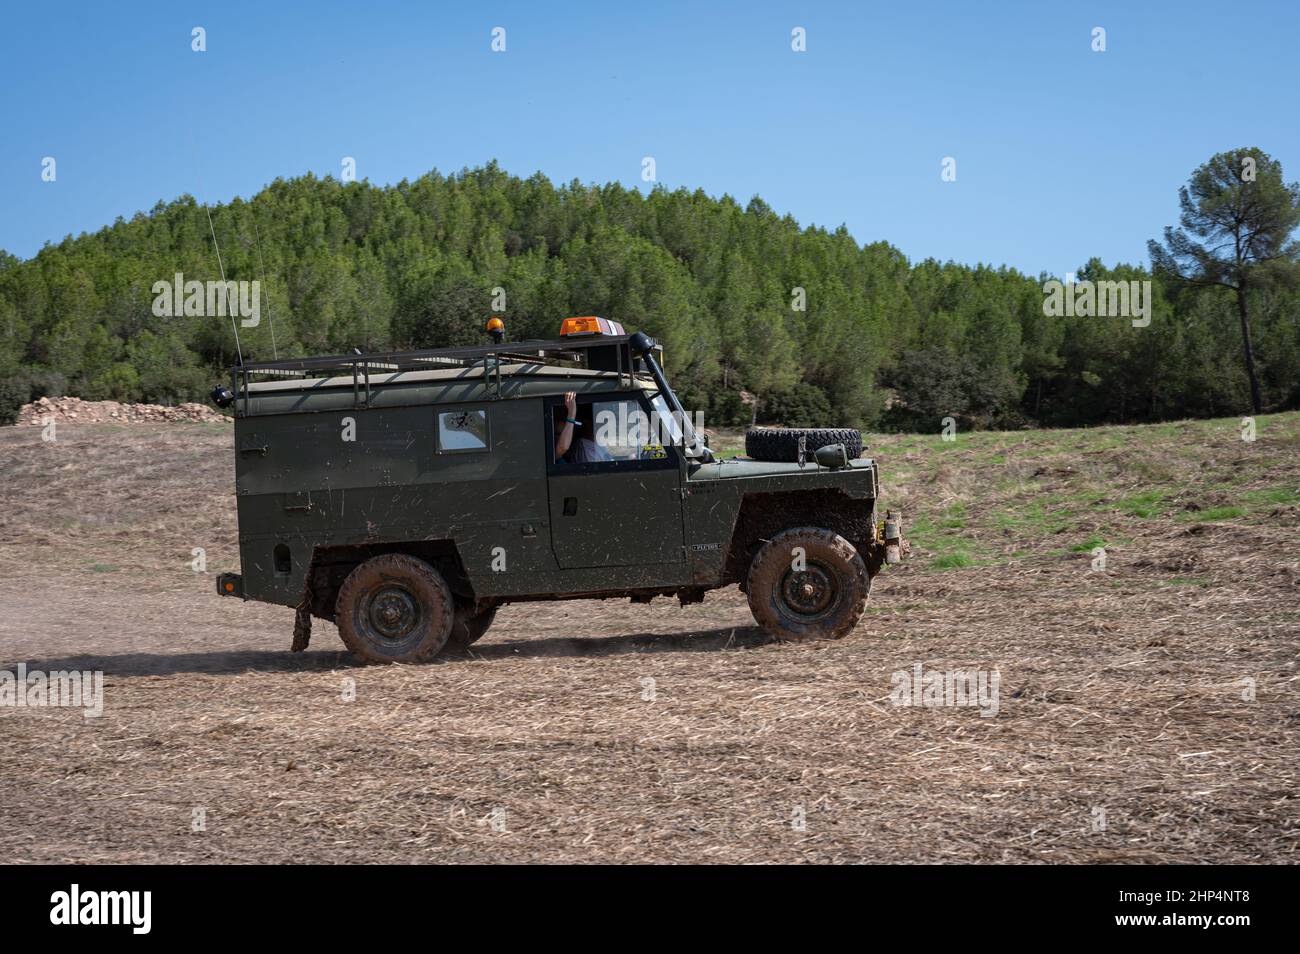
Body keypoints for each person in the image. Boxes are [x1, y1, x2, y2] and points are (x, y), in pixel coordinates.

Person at [553, 391, 612, 464]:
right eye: (558, 434)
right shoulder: (552, 456)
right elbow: (563, 447)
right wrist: (571, 414)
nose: (562, 438)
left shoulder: (601, 444)